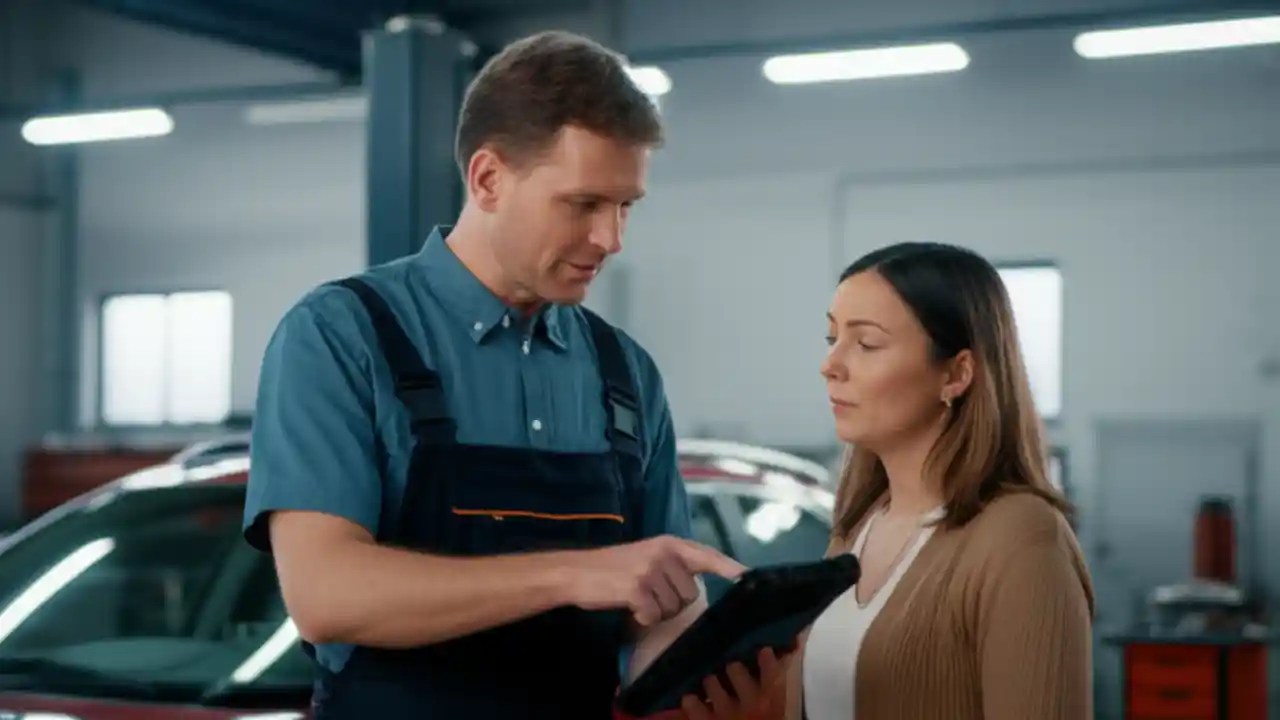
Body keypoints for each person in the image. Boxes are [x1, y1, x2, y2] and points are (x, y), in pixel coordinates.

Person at [242, 30, 751, 719]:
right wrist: (575, 573)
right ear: (487, 179)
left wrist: (706, 662)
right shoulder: (341, 338)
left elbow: (659, 610)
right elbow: (326, 596)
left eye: (625, 206)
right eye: (583, 204)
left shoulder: (626, 374)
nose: (611, 239)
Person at [715, 242, 1095, 719]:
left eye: (866, 344)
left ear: (956, 373)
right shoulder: (855, 532)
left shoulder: (1021, 537)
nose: (830, 365)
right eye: (832, 338)